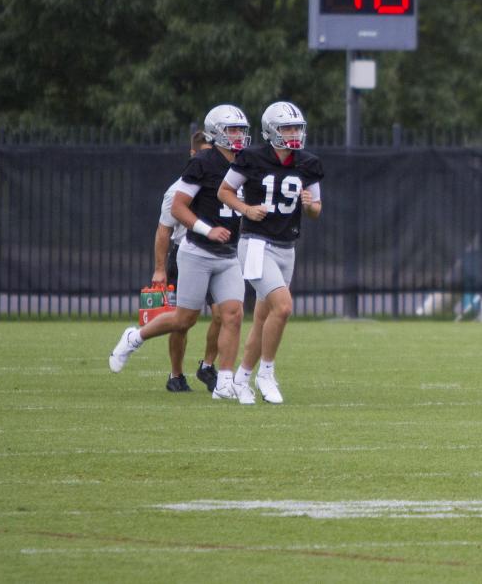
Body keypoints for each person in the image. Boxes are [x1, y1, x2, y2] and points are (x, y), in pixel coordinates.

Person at [109, 105, 250, 403]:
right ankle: (135, 338)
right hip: (197, 252)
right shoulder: (203, 162)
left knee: (232, 315)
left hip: (228, 254)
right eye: (232, 130)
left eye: (241, 130)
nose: (238, 136)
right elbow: (178, 208)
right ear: (216, 132)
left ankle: (224, 380)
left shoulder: (246, 163)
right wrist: (205, 229)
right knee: (184, 320)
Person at [216, 101, 324, 405]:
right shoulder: (251, 158)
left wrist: (309, 204)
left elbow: (317, 209)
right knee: (284, 307)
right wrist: (246, 209)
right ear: (271, 131)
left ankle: (241, 377)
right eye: (287, 127)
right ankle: (266, 372)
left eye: (296, 128)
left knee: (264, 317)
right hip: (256, 243)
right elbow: (224, 191)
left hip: (286, 246)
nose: (293, 133)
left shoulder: (308, 162)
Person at [151, 130, 222, 392]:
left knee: (224, 314)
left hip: (215, 253)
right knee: (183, 321)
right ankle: (176, 374)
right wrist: (160, 269)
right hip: (184, 256)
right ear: (193, 155)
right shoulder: (176, 191)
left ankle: (207, 367)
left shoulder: (220, 184)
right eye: (203, 154)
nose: (208, 159)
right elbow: (163, 231)